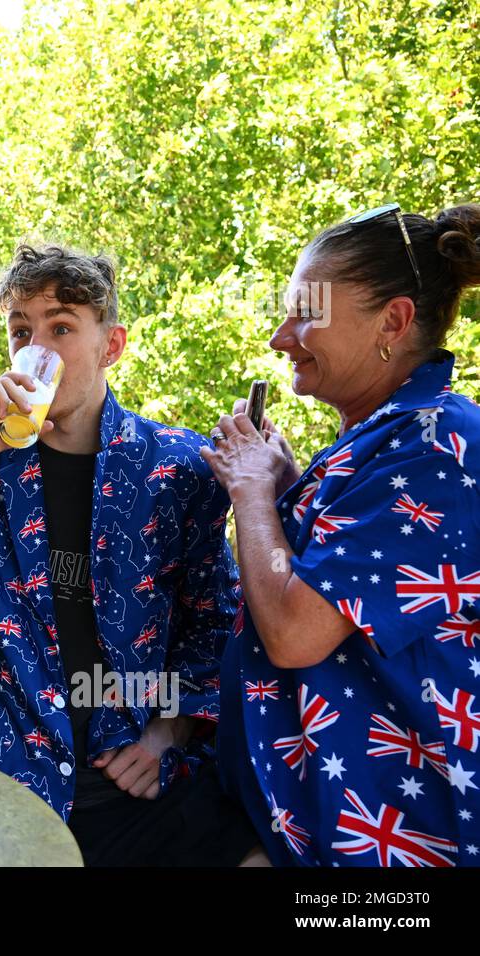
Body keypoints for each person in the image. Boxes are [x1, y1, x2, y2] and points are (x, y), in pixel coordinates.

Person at [0, 244, 261, 865]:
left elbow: (216, 624)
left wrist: (169, 731)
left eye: (62, 327)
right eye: (21, 330)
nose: (36, 346)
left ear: (112, 346)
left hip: (136, 777)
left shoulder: (178, 467)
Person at [204, 203, 480, 867]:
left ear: (394, 321)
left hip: (391, 847)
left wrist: (249, 491)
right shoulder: (383, 436)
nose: (280, 337)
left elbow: (297, 630)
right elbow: (339, 577)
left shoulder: (436, 446)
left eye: (307, 312)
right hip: (309, 830)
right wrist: (284, 483)